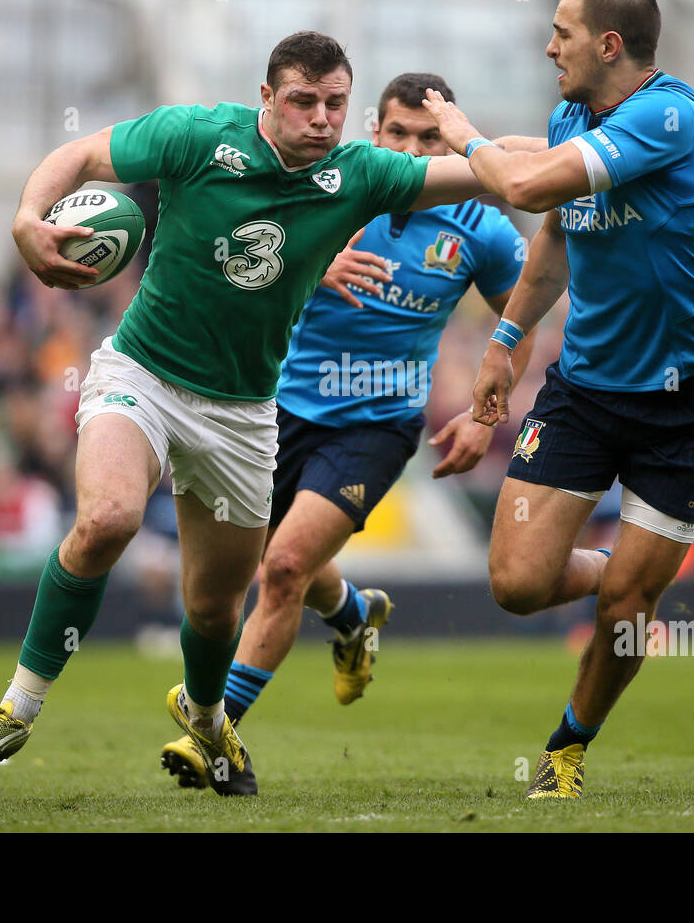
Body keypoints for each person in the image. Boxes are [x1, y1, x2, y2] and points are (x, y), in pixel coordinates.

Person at [0, 31, 489, 797]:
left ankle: (208, 721)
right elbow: (83, 154)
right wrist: (28, 216)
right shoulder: (196, 135)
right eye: (303, 101)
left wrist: (596, 152)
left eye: (335, 103)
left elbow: (498, 174)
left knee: (211, 606)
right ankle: (16, 709)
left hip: (243, 414)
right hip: (144, 374)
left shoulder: (361, 173)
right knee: (107, 519)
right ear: (266, 97)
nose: (321, 118)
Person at [158, 73, 540, 790]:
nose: (412, 151)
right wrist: (306, 262)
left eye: (431, 138)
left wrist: (484, 414)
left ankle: (214, 735)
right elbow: (231, 262)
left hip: (377, 425)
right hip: (275, 412)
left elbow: (522, 319)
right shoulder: (325, 193)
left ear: (454, 142)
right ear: (374, 134)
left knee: (282, 568)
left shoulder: (483, 229)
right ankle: (355, 615)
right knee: (266, 558)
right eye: (398, 134)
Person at [423, 0, 694, 798]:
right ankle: (628, 571)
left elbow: (524, 185)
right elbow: (554, 239)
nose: (548, 46)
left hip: (687, 401)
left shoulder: (671, 117)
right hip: (587, 389)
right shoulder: (573, 118)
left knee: (627, 607)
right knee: (517, 583)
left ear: (609, 45)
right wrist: (503, 343)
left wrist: (460, 132)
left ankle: (568, 745)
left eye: (561, 33)